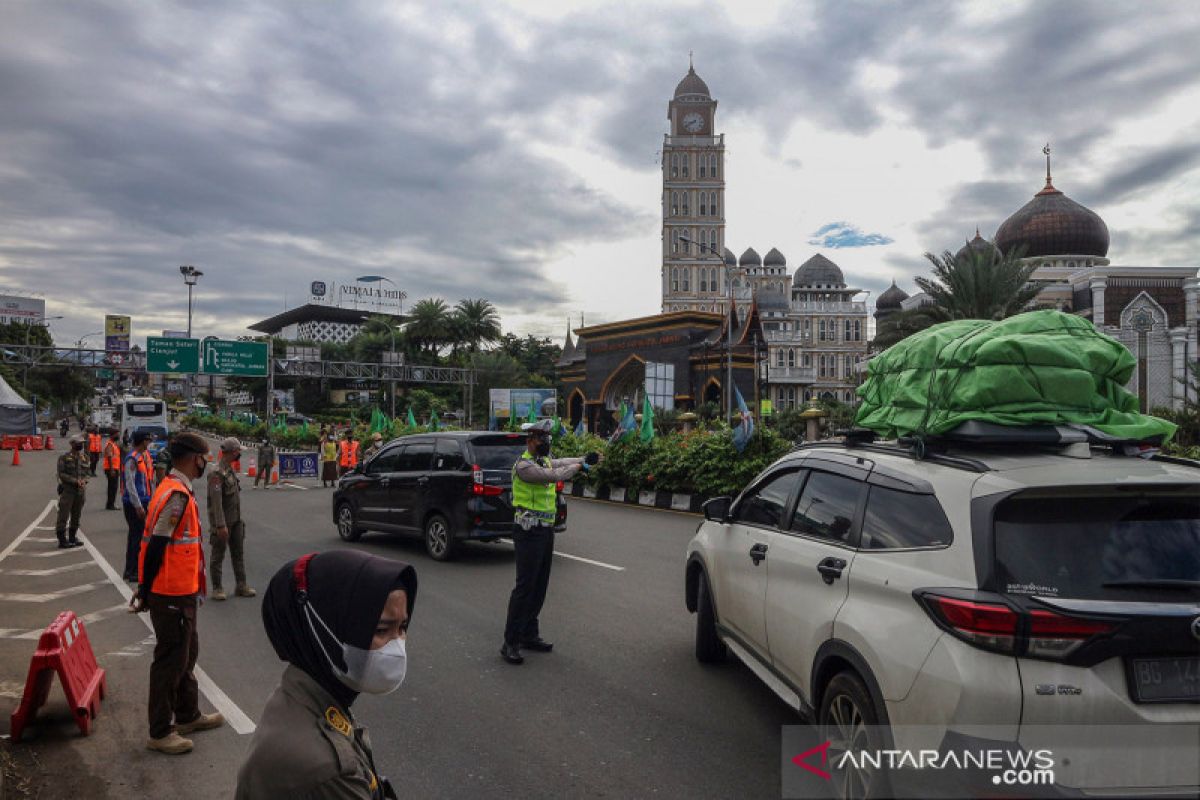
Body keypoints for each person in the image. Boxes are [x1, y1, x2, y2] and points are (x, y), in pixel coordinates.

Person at [235, 550, 416, 799]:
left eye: (402, 627)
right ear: (328, 628)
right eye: (382, 630)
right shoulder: (326, 768)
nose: (396, 646)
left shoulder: (306, 691)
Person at [130, 432, 225, 755]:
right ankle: (159, 731)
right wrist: (144, 590)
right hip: (169, 592)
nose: (205, 464)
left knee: (188, 654)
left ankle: (188, 715)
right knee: (170, 660)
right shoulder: (176, 495)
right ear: (193, 458)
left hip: (183, 591)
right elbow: (157, 544)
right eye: (204, 458)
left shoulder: (177, 488)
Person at [500, 419, 601, 665]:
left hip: (545, 532)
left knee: (539, 586)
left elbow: (561, 462)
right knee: (525, 587)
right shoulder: (524, 466)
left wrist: (584, 457)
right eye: (541, 439)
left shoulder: (543, 459)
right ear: (530, 440)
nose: (545, 442)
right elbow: (554, 474)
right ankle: (510, 642)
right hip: (527, 532)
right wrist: (580, 466)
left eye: (547, 438)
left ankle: (529, 634)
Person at [207, 437, 255, 601]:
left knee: (238, 554)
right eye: (238, 451)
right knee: (218, 555)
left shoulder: (230, 470)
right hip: (223, 522)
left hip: (235, 520)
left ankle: (241, 585)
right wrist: (220, 525)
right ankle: (217, 587)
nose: (239, 454)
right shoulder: (216, 473)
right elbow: (216, 502)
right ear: (232, 452)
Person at [121, 430, 155, 582]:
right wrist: (138, 506)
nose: (149, 443)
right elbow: (130, 484)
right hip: (135, 504)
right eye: (148, 440)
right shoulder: (132, 459)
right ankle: (133, 571)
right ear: (142, 441)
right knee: (137, 537)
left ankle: (130, 570)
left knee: (136, 536)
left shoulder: (141, 457)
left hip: (142, 501)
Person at [54, 436, 89, 549]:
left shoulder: (85, 458)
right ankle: (62, 539)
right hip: (68, 490)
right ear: (72, 444)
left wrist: (84, 481)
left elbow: (88, 473)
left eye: (82, 443)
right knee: (63, 514)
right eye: (79, 443)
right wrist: (75, 481)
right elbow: (61, 474)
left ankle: (73, 537)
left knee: (76, 515)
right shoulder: (64, 458)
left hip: (80, 491)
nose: (81, 445)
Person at [103, 431, 123, 510]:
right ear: (112, 435)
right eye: (116, 434)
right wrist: (111, 470)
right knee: (112, 487)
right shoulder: (110, 444)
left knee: (113, 487)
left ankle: (110, 504)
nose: (118, 435)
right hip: (111, 469)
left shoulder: (114, 444)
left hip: (114, 468)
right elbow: (109, 457)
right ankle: (110, 505)